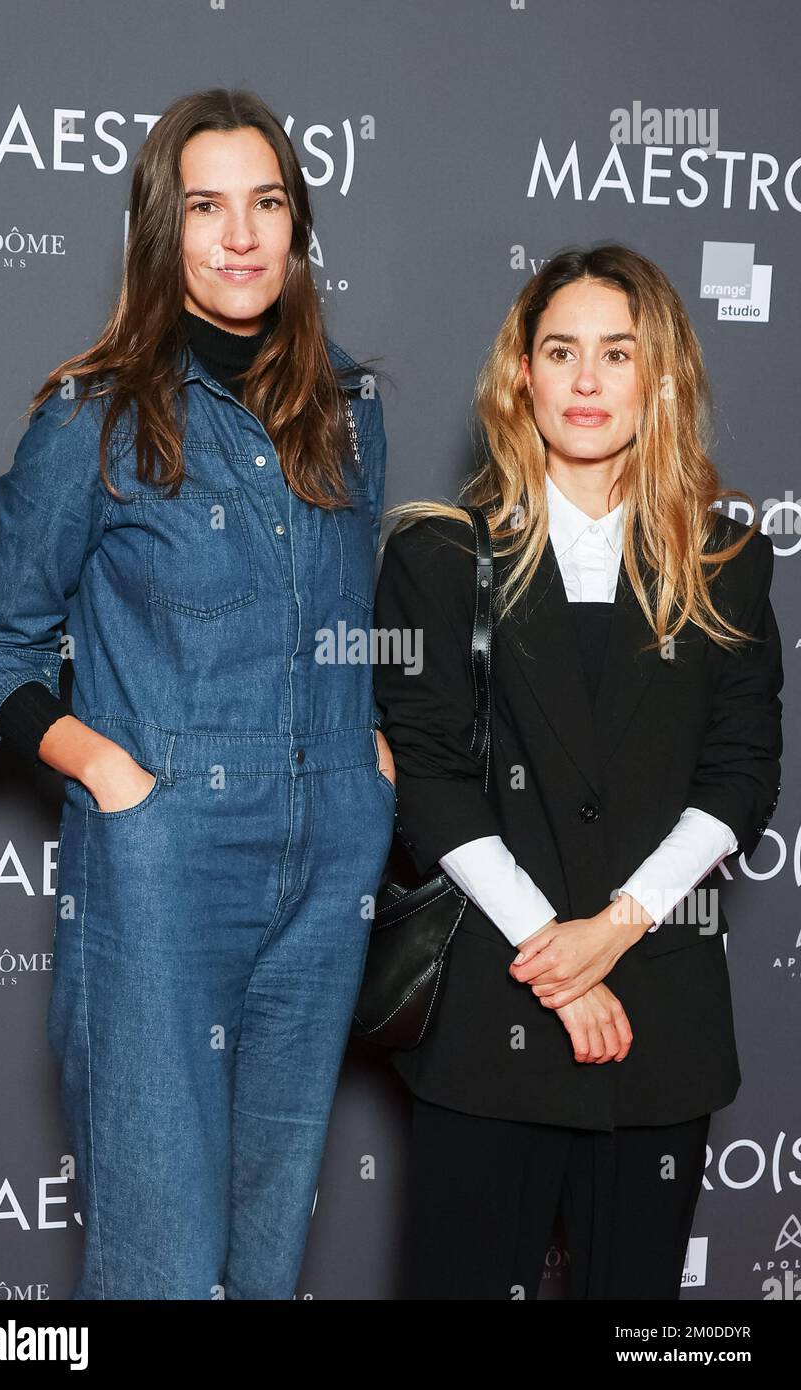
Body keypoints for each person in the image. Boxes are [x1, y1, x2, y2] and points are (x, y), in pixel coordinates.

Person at [0, 87, 396, 1300]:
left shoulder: (349, 412)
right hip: (164, 861)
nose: (241, 234)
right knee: (158, 1264)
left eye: (268, 203)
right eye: (208, 205)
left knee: (263, 1257)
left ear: (299, 227)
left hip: (329, 861)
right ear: (163, 226)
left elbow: (352, 615)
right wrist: (108, 774)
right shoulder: (91, 419)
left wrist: (372, 754)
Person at [372, 243, 782, 1301]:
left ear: (663, 377)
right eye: (562, 351)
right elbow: (427, 772)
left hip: (657, 1018)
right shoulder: (441, 554)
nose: (588, 381)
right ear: (523, 375)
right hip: (490, 1015)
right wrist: (554, 953)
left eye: (617, 352)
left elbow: (741, 774)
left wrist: (614, 931)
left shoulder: (728, 561)